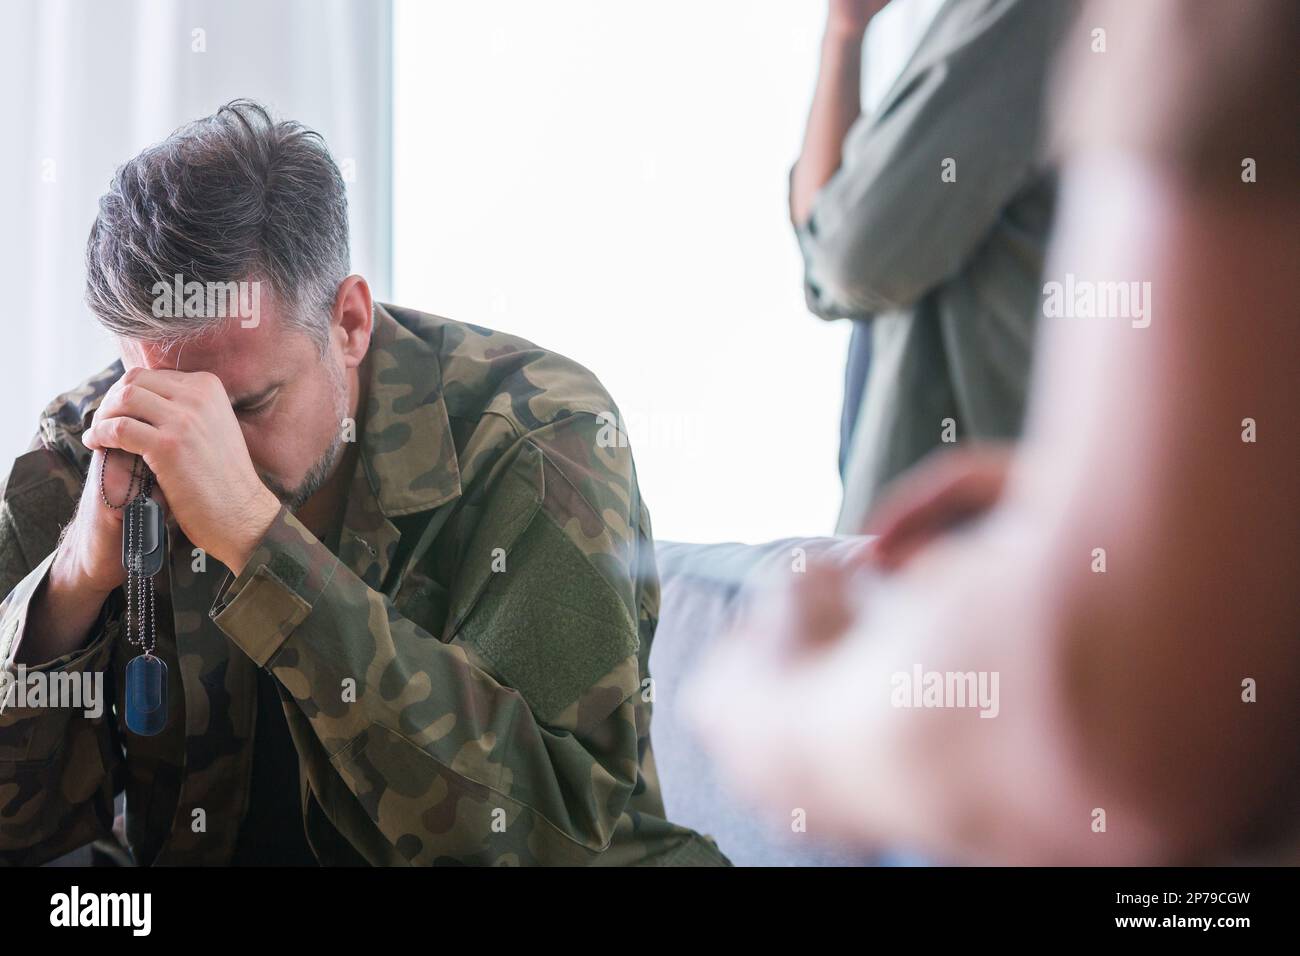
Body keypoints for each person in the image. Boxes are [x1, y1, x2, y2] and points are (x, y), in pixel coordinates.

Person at [0, 100, 730, 867]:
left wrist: (258, 541)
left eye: (247, 405)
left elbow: (539, 833)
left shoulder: (539, 439)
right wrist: (74, 585)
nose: (202, 450)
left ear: (349, 323)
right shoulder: (94, 447)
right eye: (172, 398)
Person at [691, 0, 1299, 863]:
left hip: (995, 594)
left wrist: (789, 723)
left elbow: (850, 254)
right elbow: (828, 254)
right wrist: (844, 36)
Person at [791, 0, 1074, 531]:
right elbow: (830, 239)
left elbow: (847, 260)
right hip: (984, 527)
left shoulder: (1014, 15)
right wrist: (845, 32)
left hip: (969, 539)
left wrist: (842, 38)